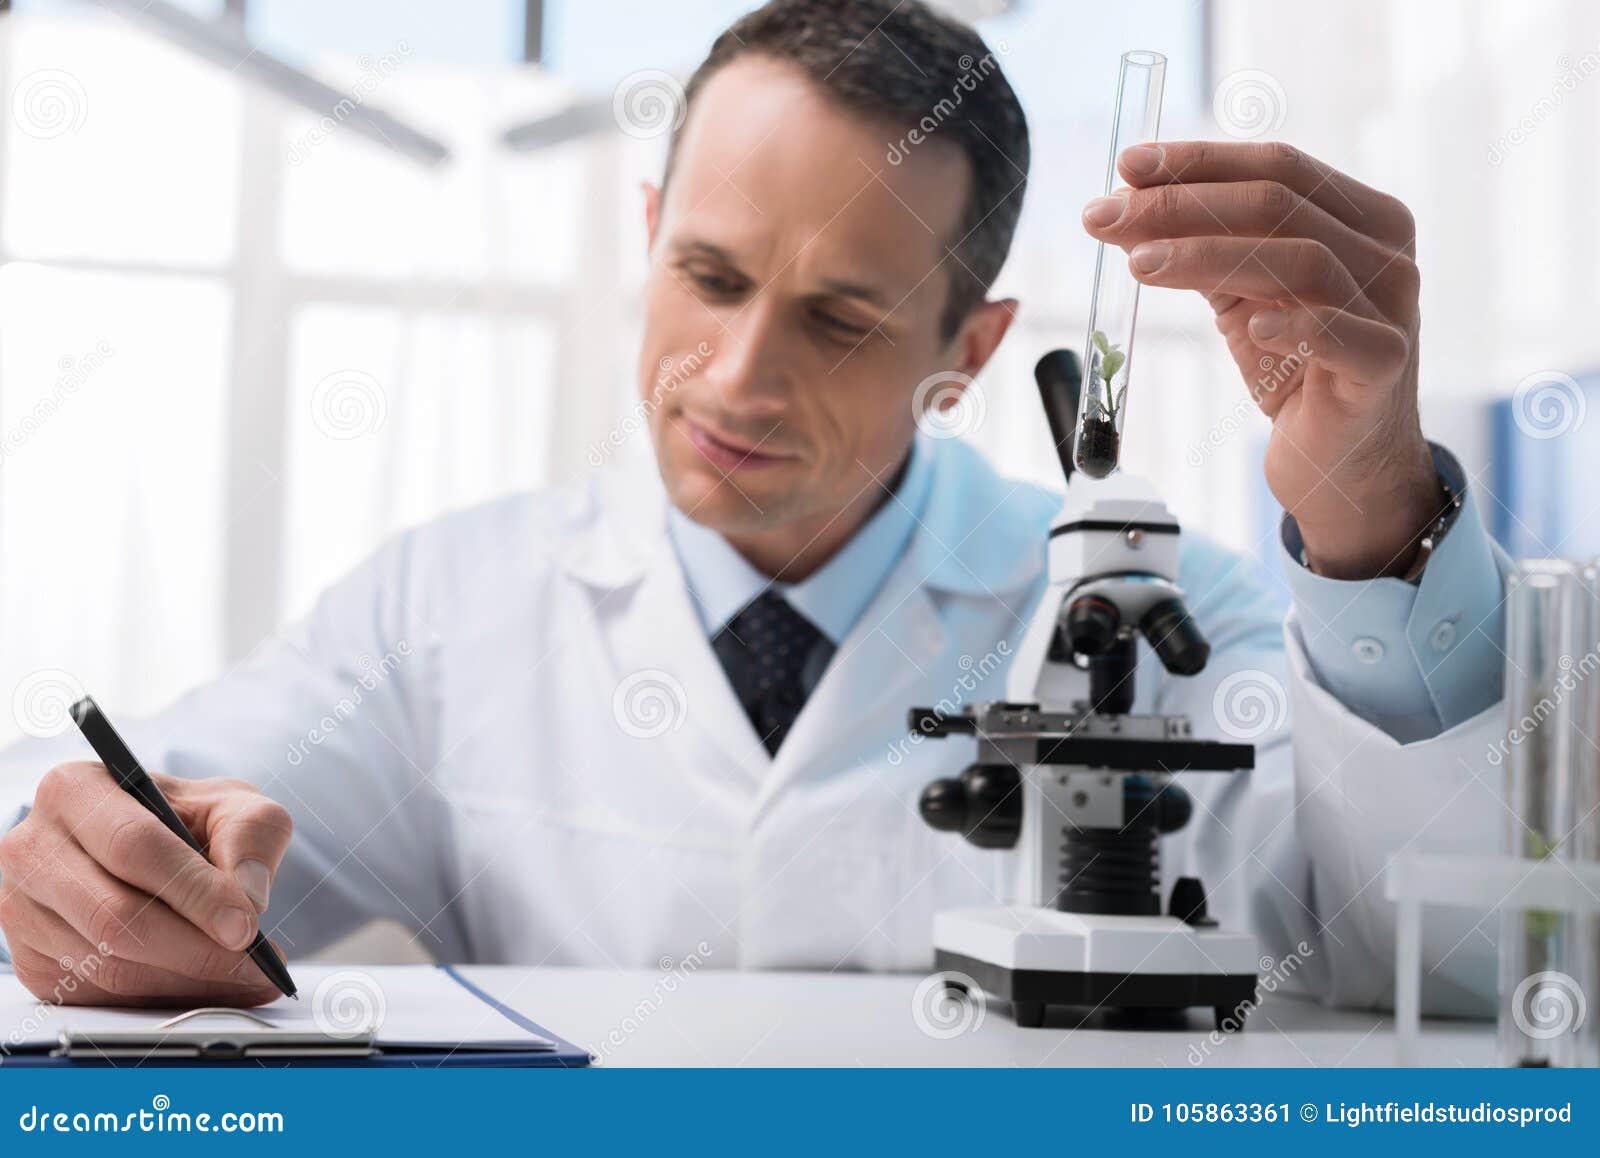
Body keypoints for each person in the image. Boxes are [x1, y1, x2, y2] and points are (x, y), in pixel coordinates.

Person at [0, 0, 1507, 1015]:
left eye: (842, 320)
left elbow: (1452, 956)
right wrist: (78, 863)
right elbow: (174, 822)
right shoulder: (442, 615)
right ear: (648, 235)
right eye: (708, 278)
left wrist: (1375, 515)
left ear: (969, 352)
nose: (737, 377)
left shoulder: (1146, 616)